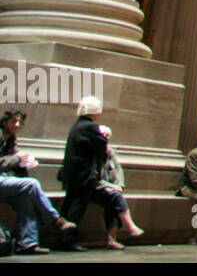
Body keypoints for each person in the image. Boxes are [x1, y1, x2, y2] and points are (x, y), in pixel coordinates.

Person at [55, 96, 144, 252]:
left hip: (72, 174)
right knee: (77, 207)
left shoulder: (76, 126)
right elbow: (101, 146)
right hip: (84, 176)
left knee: (70, 205)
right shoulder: (90, 127)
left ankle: (63, 239)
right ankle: (68, 240)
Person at [0, 109, 76, 254]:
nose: (17, 125)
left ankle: (28, 243)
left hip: (4, 179)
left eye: (20, 123)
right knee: (31, 184)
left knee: (26, 198)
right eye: (14, 121)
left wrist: (23, 162)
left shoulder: (10, 139)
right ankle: (56, 221)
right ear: (5, 122)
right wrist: (16, 159)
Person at [97, 125, 129, 249]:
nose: (105, 137)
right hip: (96, 187)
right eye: (103, 134)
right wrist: (113, 187)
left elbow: (118, 170)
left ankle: (112, 238)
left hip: (108, 188)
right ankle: (130, 225)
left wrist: (119, 184)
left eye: (107, 135)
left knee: (113, 201)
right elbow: (95, 178)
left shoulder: (110, 152)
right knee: (114, 197)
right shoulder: (93, 151)